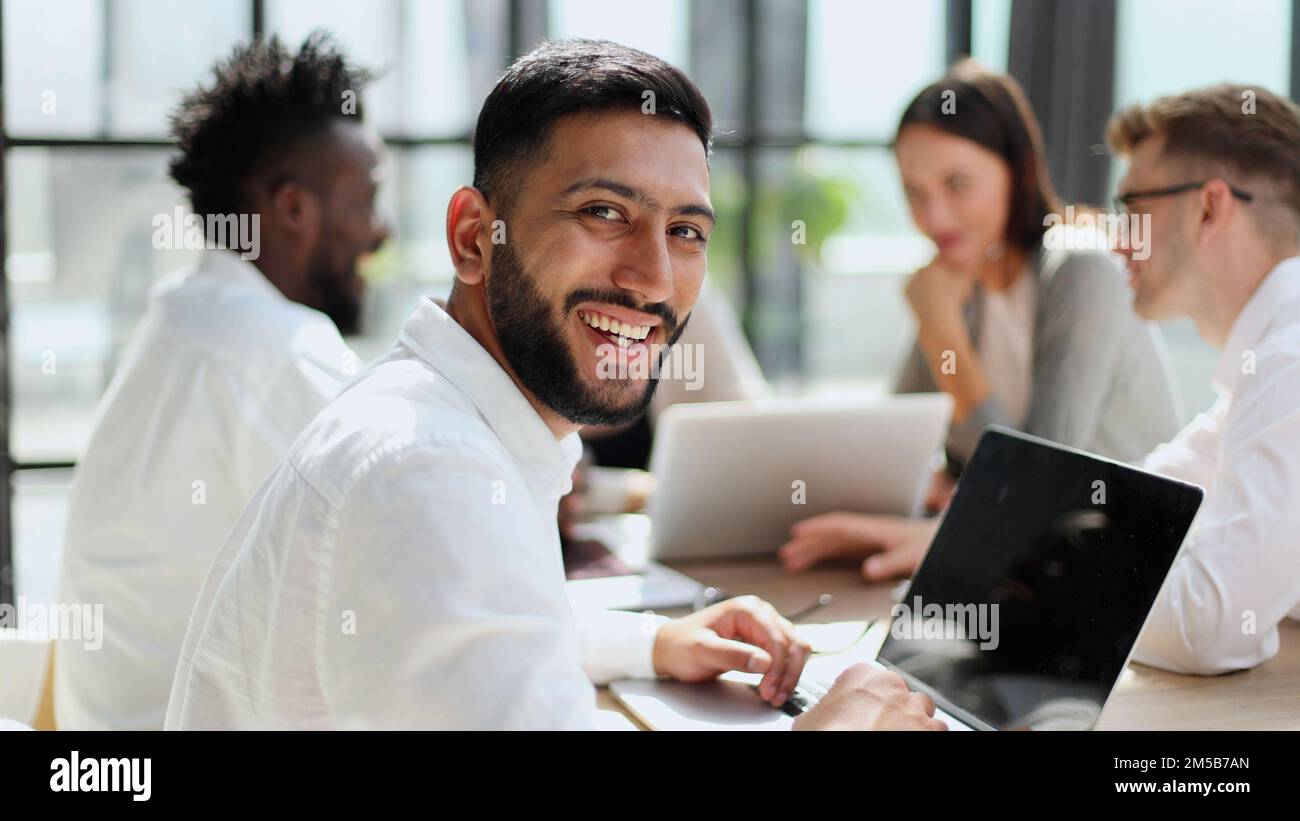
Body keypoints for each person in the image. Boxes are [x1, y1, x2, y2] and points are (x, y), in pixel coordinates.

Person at [165, 40, 944, 731]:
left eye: (686, 231)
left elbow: (475, 620)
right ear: (474, 238)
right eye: (603, 212)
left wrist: (654, 640)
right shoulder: (428, 470)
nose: (653, 276)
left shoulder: (446, 424)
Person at [780, 83, 1300, 678]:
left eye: (1131, 207)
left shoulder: (1289, 363)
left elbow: (1212, 627)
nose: (1115, 235)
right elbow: (1113, 505)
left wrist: (1003, 559)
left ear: (1210, 208)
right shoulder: (1257, 376)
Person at [56, 33, 390, 730]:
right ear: (294, 207)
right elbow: (413, 591)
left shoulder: (184, 321)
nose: (381, 230)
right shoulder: (279, 351)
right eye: (369, 199)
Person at [779, 61, 1181, 580]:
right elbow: (896, 444)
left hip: (1122, 574)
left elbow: (1041, 482)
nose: (934, 218)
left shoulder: (1081, 271)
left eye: (957, 184)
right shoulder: (959, 287)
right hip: (1026, 568)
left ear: (1020, 170)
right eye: (914, 192)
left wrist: (939, 329)